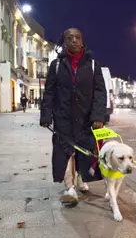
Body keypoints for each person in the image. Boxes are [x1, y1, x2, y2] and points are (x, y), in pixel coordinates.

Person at [40, 28, 107, 207]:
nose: (74, 41)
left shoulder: (93, 65)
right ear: (64, 42)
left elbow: (100, 92)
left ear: (82, 41)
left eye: (77, 37)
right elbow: (49, 91)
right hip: (63, 118)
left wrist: (98, 115)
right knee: (66, 151)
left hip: (86, 119)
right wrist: (46, 114)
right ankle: (69, 188)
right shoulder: (56, 65)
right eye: (69, 38)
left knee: (84, 152)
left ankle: (81, 178)